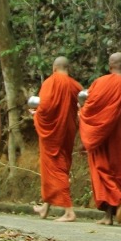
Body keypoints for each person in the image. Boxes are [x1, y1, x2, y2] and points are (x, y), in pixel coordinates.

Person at [79, 53, 121, 226]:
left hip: (102, 136)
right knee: (118, 172)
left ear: (110, 65)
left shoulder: (100, 83)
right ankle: (109, 216)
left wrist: (81, 114)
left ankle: (118, 202)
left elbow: (90, 110)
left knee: (102, 170)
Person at [32, 57, 82, 222]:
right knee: (56, 167)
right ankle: (45, 207)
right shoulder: (76, 86)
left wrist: (36, 115)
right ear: (68, 68)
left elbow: (45, 107)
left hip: (52, 133)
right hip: (67, 131)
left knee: (56, 169)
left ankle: (69, 211)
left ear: (54, 68)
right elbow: (83, 108)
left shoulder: (50, 82)